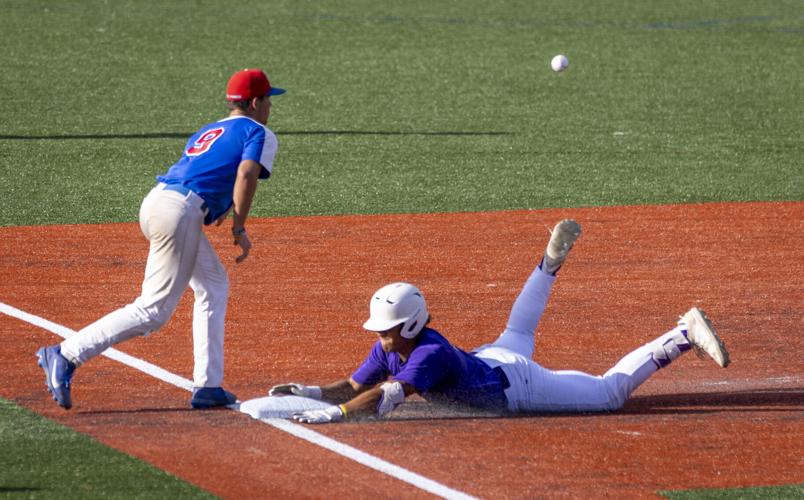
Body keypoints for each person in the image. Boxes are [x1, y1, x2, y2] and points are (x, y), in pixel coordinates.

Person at [269, 219, 731, 423]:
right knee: (520, 332)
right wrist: (309, 392)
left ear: (409, 326)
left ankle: (682, 333)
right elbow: (353, 386)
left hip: (518, 385)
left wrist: (337, 416)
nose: (380, 338)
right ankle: (547, 265)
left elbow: (385, 398)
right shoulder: (393, 345)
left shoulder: (425, 353)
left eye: (385, 330)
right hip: (491, 360)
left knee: (607, 395)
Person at [36, 68, 286, 410]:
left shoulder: (210, 128)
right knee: (152, 310)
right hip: (180, 213)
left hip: (159, 202)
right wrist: (239, 227)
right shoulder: (258, 131)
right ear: (256, 102)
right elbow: (245, 173)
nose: (270, 106)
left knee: (213, 284)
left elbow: (208, 170)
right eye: (269, 99)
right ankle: (65, 354)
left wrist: (220, 205)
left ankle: (208, 386)